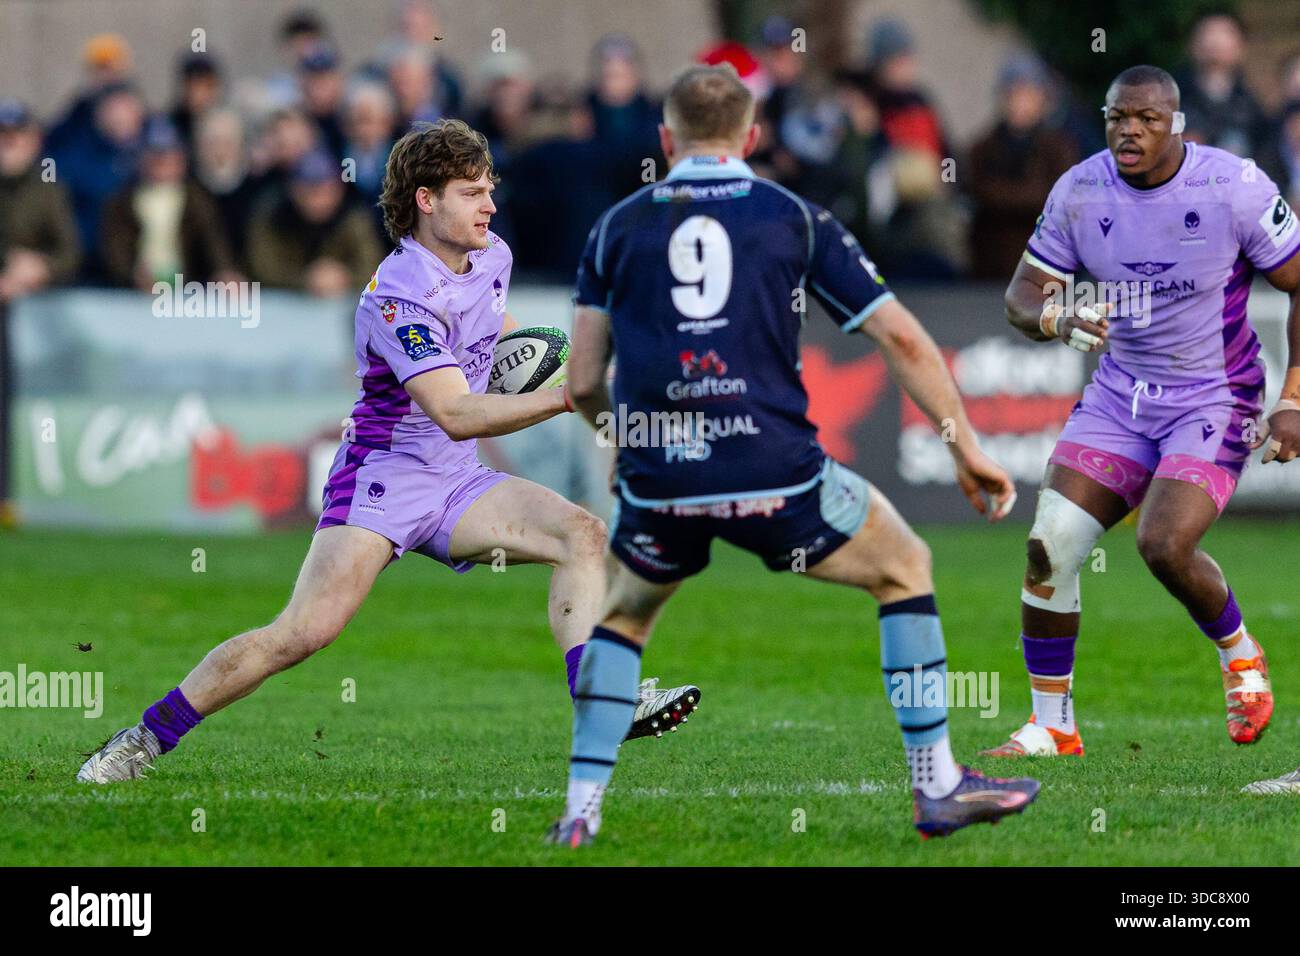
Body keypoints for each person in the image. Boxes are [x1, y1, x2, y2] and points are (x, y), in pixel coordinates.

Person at [76, 119, 699, 784]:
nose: (490, 204)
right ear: (426, 201)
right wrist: (569, 398)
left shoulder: (491, 255)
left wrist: (589, 370)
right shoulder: (397, 295)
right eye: (471, 192)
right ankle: (144, 738)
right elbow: (457, 412)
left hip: (456, 480)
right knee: (301, 634)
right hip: (383, 481)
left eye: (490, 189)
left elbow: (502, 338)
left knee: (581, 532)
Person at [546, 65, 1039, 847]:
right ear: (752, 136)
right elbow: (902, 336)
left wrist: (621, 445)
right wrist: (966, 448)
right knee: (904, 566)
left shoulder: (616, 227)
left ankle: (579, 813)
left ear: (666, 140)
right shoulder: (793, 217)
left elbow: (580, 383)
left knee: (626, 617)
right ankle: (937, 785)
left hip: (662, 473)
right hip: (774, 471)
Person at [983, 65, 1300, 758]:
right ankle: (1051, 726)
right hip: (1121, 393)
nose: (1129, 130)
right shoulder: (1080, 188)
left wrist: (1294, 396)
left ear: (1176, 125)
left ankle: (1241, 656)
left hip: (1215, 393)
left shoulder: (1234, 186)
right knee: (1049, 547)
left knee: (1161, 544)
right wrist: (1059, 317)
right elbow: (1021, 295)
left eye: (1146, 119)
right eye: (1117, 117)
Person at [966, 56, 1077, 279]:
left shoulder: (1058, 148)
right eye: (1013, 95)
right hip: (991, 266)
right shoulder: (984, 148)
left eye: (1027, 95)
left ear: (1041, 99)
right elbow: (978, 190)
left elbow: (1056, 200)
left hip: (1044, 268)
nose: (1019, 103)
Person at [101, 117, 237, 289]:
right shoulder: (122, 201)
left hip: (188, 287)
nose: (164, 164)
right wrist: (131, 274)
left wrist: (224, 271)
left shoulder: (196, 199)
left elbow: (212, 241)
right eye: (157, 157)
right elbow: (115, 249)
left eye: (170, 156)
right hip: (137, 289)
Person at [245, 149, 382, 296]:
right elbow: (261, 269)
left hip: (341, 303)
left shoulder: (353, 218)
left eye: (325, 190)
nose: (317, 200)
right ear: (293, 189)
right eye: (309, 190)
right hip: (286, 303)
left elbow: (373, 265)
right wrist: (307, 280)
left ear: (339, 190)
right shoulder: (272, 215)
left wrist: (344, 278)